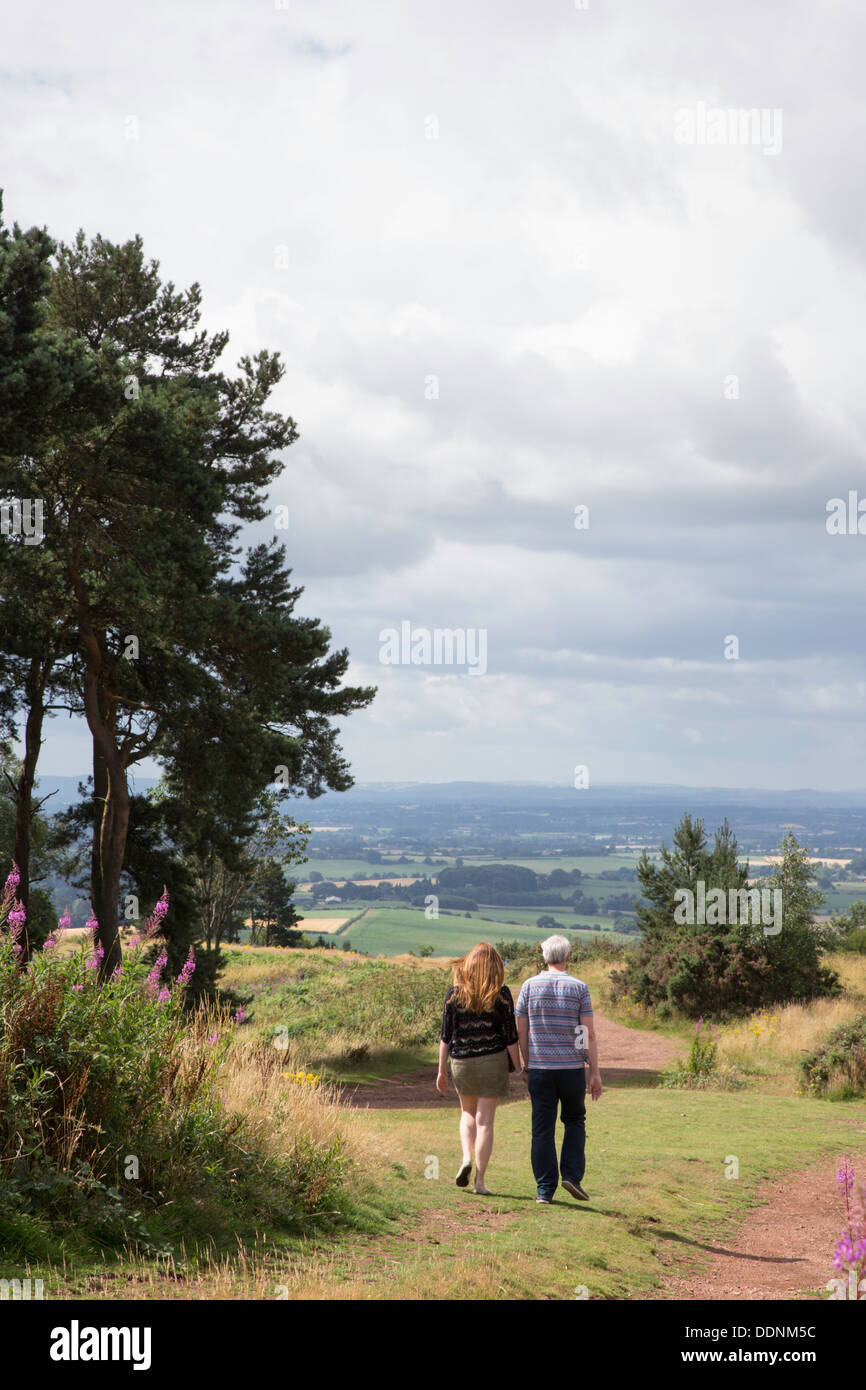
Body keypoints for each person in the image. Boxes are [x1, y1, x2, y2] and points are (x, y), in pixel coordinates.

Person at [515, 934, 603, 1204]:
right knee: (574, 1120)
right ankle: (571, 1176)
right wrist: (595, 1072)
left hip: (540, 1068)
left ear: (544, 956)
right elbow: (587, 1033)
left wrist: (526, 1062)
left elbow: (521, 1029)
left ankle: (544, 1190)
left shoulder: (529, 986)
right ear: (567, 957)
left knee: (542, 1128)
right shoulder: (579, 988)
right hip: (572, 1068)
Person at [437, 942, 525, 1194]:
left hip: (461, 1062)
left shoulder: (454, 994)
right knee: (485, 1121)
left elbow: (445, 1036)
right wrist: (520, 1069)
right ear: (494, 967)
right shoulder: (502, 994)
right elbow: (510, 1037)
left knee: (467, 1113)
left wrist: (441, 1071)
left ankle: (465, 1157)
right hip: (492, 1061)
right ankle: (480, 1182)